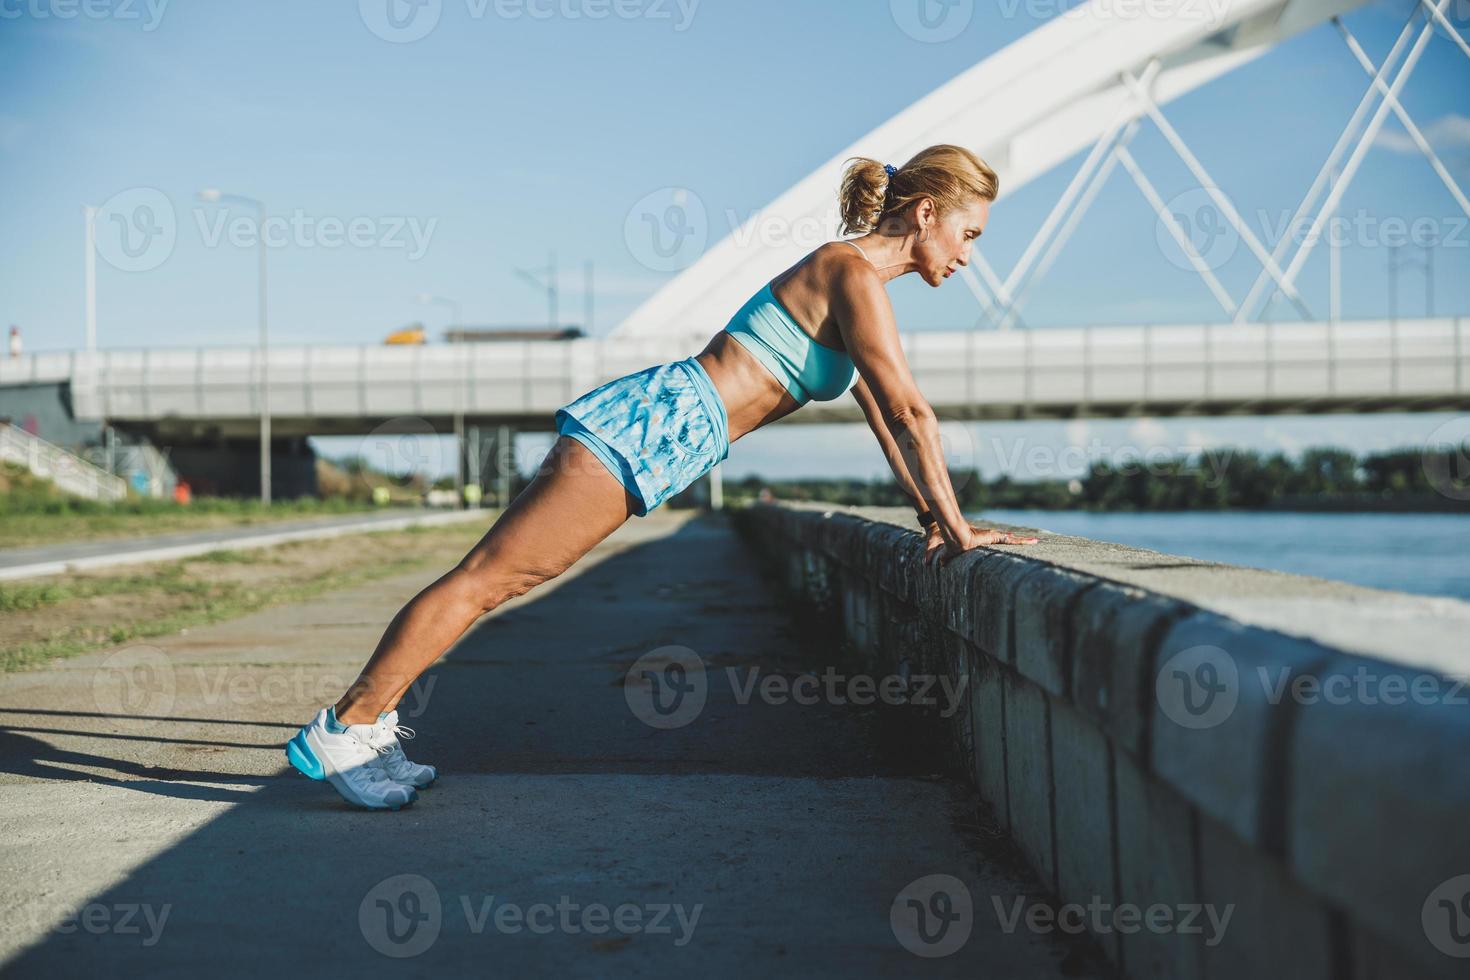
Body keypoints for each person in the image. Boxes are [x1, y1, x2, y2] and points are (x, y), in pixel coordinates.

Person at [285, 144, 1040, 810]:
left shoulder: (857, 285)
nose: (969, 256)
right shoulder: (848, 271)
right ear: (926, 212)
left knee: (501, 578)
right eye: (969, 234)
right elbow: (912, 412)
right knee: (491, 578)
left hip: (668, 435)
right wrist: (961, 530)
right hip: (653, 425)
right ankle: (345, 726)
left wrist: (937, 519)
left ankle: (369, 723)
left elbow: (886, 421)